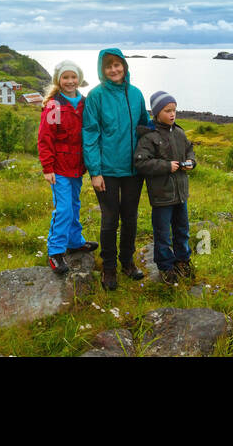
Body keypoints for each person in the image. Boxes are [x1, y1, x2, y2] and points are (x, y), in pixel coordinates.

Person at [82, 48, 151, 290]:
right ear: (102, 70)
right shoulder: (96, 96)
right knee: (110, 220)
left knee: (130, 219)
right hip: (107, 171)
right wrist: (95, 172)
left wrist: (168, 125)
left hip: (134, 169)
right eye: (108, 66)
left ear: (124, 66)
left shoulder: (135, 94)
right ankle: (109, 268)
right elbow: (90, 134)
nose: (114, 69)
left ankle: (127, 262)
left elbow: (145, 125)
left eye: (117, 65)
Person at [36, 60, 98, 273]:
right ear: (58, 80)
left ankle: (74, 242)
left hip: (77, 165)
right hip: (59, 168)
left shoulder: (85, 103)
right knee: (63, 209)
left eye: (74, 77)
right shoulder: (54, 105)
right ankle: (55, 251)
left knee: (74, 205)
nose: (70, 81)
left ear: (79, 79)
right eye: (65, 77)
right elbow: (45, 138)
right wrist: (47, 167)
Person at [132, 91, 196, 286]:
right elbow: (141, 162)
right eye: (167, 110)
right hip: (161, 196)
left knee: (182, 230)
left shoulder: (179, 132)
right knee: (162, 234)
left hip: (181, 194)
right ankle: (165, 267)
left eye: (174, 110)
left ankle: (183, 260)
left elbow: (190, 149)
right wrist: (166, 166)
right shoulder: (149, 137)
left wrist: (191, 162)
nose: (172, 114)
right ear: (157, 113)